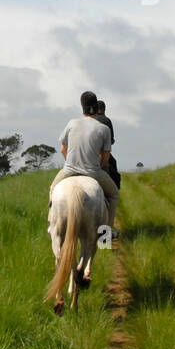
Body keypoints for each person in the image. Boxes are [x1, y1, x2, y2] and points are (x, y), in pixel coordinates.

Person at [50, 90, 120, 242]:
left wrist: (71, 163)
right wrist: (99, 166)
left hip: (69, 170)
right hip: (93, 172)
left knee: (52, 190)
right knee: (114, 195)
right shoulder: (104, 129)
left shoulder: (71, 123)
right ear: (96, 106)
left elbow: (63, 149)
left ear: (82, 107)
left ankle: (51, 225)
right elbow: (106, 157)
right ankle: (106, 234)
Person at [94, 100, 122, 190]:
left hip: (89, 151)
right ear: (103, 109)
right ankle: (116, 188)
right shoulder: (107, 120)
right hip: (102, 152)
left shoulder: (91, 119)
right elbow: (111, 140)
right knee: (113, 163)